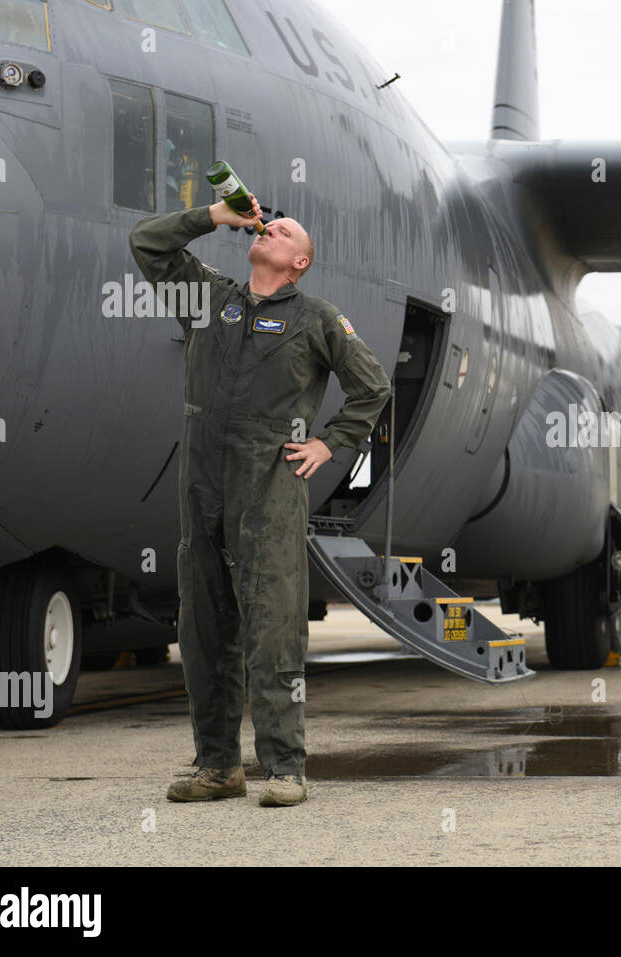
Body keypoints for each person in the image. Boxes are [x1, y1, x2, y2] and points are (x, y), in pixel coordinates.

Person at [130, 196, 390, 806]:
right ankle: (217, 767)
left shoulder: (317, 318)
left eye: (285, 231)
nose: (271, 228)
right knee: (201, 629)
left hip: (268, 490)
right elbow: (147, 243)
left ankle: (284, 769)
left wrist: (331, 445)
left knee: (273, 631)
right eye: (267, 225)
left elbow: (372, 387)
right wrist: (213, 216)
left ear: (299, 262)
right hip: (202, 491)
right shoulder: (210, 299)